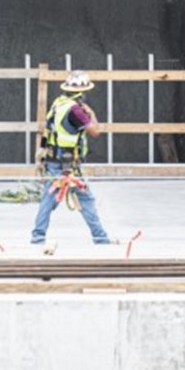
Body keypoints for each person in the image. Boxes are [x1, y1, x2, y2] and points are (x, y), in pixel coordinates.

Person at [30, 71, 112, 246]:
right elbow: (95, 131)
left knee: (48, 199)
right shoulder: (76, 111)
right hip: (67, 166)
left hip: (53, 160)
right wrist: (92, 114)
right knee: (86, 199)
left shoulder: (59, 103)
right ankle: (101, 238)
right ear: (82, 92)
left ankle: (38, 237)